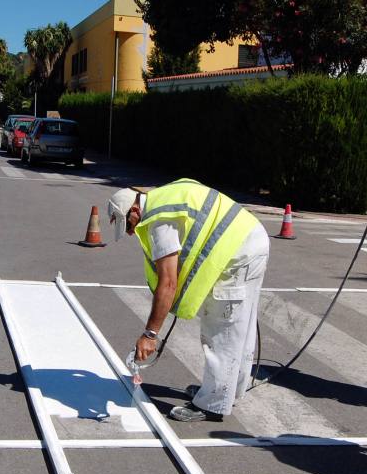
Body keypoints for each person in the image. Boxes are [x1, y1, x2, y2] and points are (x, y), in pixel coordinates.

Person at [106, 179, 269, 422]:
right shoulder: (164, 197)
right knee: (239, 327)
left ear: (135, 210)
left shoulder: (159, 222)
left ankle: (212, 404)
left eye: (128, 224)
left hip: (237, 254)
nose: (130, 232)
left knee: (221, 331)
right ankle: (228, 391)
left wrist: (150, 334)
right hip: (250, 240)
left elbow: (168, 281)